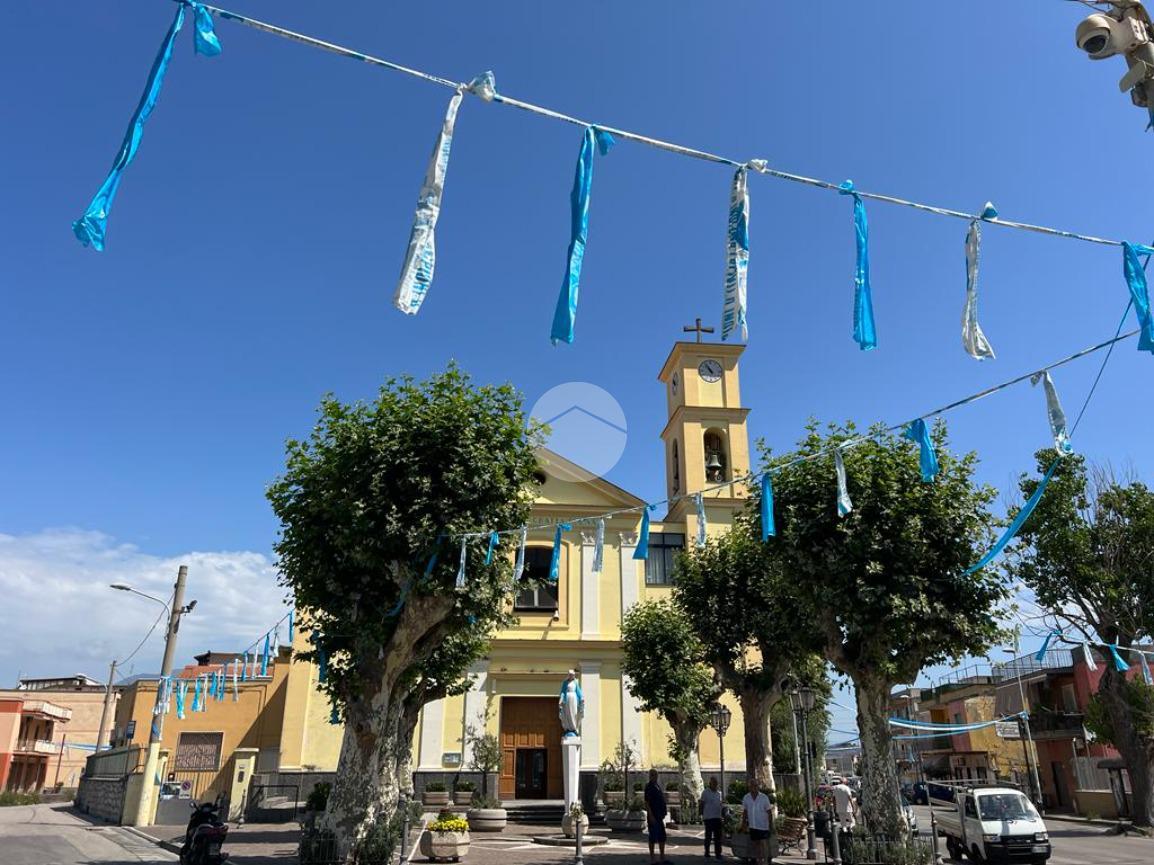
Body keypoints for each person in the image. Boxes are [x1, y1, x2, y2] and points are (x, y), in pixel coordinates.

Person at [742, 778, 774, 865]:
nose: (753, 787)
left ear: (758, 787)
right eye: (752, 785)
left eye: (755, 785)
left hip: (763, 825)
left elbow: (769, 812)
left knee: (763, 844)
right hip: (753, 825)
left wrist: (771, 825)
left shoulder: (764, 797)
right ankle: (759, 861)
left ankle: (766, 861)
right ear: (749, 787)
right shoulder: (746, 797)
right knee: (756, 845)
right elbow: (745, 812)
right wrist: (743, 824)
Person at [644, 768, 668, 864]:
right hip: (653, 815)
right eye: (654, 775)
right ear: (651, 776)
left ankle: (662, 855)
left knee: (662, 836)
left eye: (656, 775)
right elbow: (647, 803)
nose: (655, 777)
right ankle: (652, 857)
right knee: (653, 836)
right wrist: (651, 816)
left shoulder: (657, 786)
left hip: (659, 815)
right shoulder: (649, 787)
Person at [701, 776, 724, 857]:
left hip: (717, 817)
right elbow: (702, 804)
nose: (715, 785)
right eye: (713, 783)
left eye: (716, 784)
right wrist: (701, 814)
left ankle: (718, 853)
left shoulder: (719, 793)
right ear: (710, 784)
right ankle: (707, 851)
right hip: (708, 817)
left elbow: (721, 804)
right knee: (708, 836)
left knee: (718, 837)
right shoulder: (705, 792)